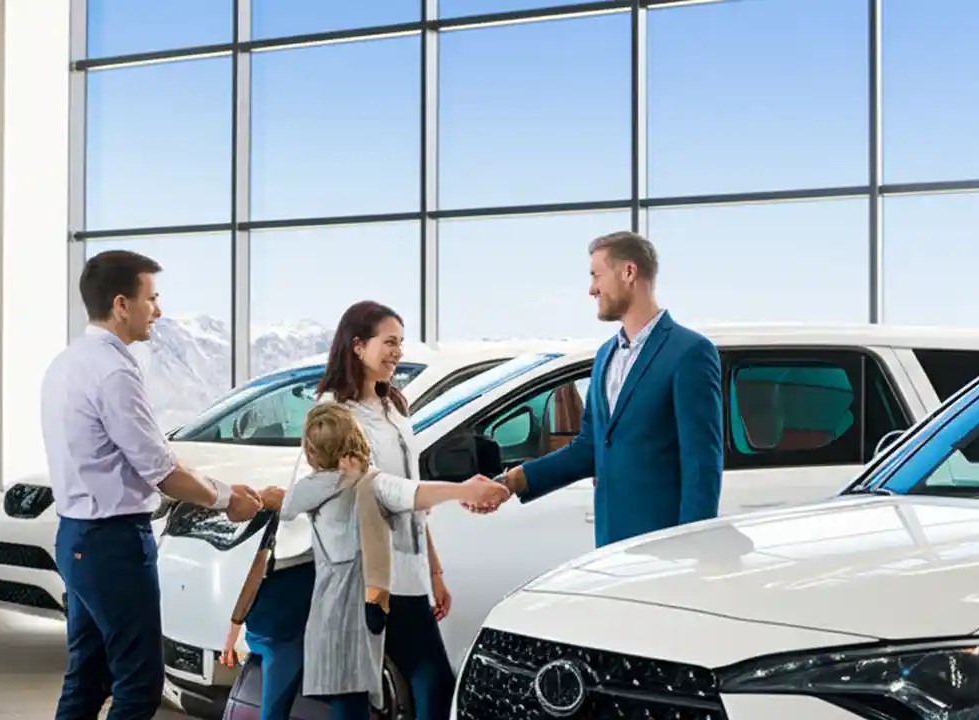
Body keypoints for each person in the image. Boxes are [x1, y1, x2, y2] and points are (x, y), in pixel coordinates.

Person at [225, 300, 487, 720]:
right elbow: (384, 489)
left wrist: (433, 569)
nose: (397, 352)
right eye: (389, 342)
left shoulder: (395, 407)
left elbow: (408, 488)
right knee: (358, 692)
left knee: (431, 681)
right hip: (361, 573)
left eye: (400, 343)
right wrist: (459, 490)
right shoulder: (335, 413)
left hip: (407, 567)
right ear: (358, 345)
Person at [41, 249, 263, 720]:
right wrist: (227, 499)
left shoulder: (65, 363)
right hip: (113, 544)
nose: (158, 311)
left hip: (77, 537)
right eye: (152, 298)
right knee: (139, 684)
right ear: (122, 304)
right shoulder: (115, 371)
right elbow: (159, 468)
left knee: (87, 676)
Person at [236, 403, 506, 719]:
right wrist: (463, 490)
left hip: (330, 607)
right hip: (367, 601)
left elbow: (286, 504)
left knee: (346, 698)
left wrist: (263, 496)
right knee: (360, 692)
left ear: (311, 450)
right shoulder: (371, 482)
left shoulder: (309, 488)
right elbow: (412, 493)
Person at [476, 231, 724, 547]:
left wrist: (694, 548)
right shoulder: (606, 355)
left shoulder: (690, 352)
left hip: (665, 544)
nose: (592, 289)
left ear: (629, 272)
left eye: (596, 275)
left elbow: (701, 465)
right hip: (610, 543)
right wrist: (514, 481)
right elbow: (590, 447)